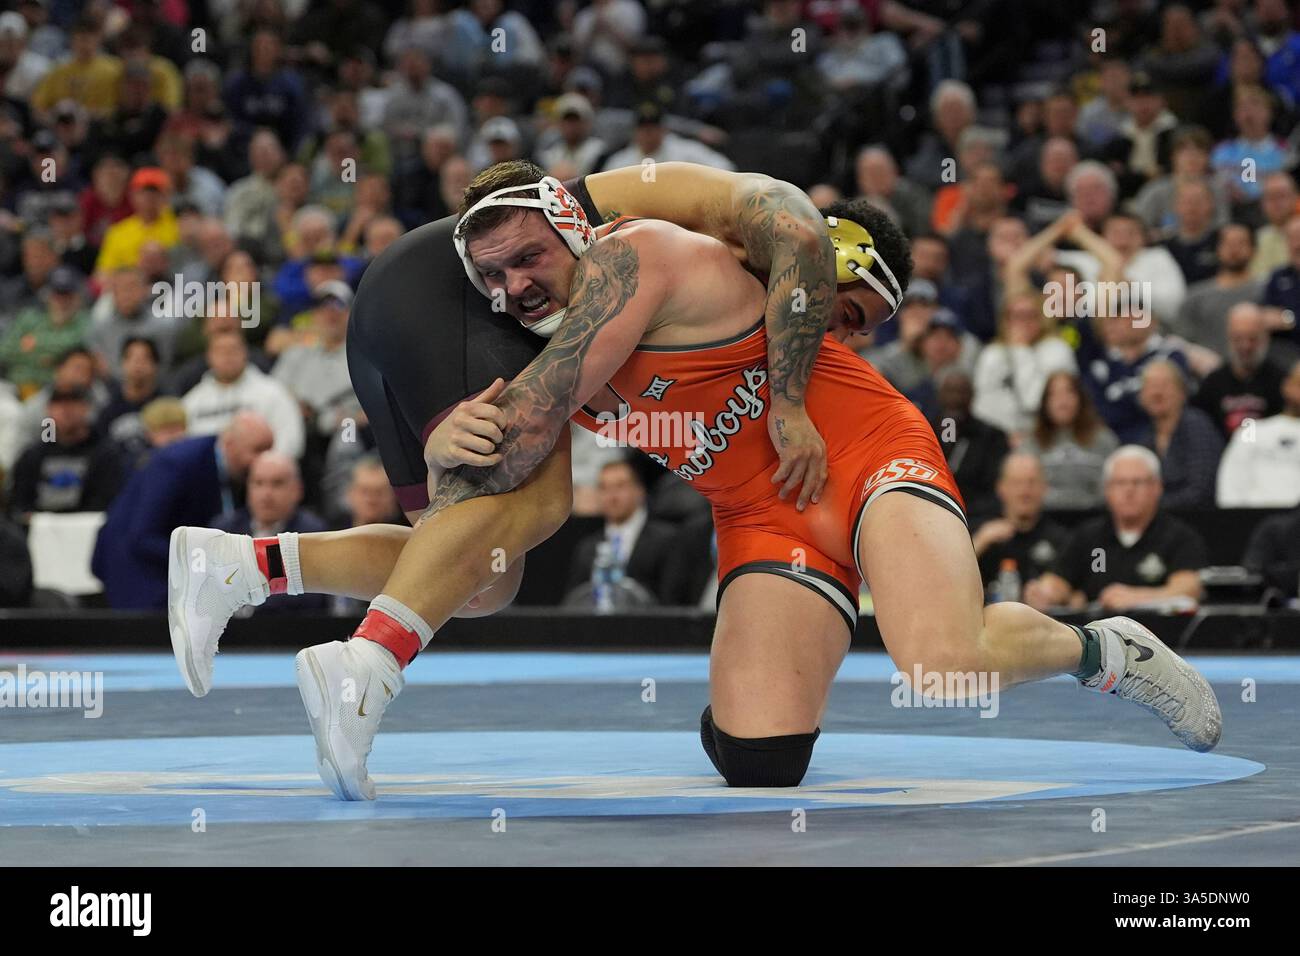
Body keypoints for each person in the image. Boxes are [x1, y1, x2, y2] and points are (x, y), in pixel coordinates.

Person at [172, 162, 1221, 803]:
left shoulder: (657, 264)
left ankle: (1104, 650)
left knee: (938, 658)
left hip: (866, 458)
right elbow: (780, 241)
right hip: (762, 513)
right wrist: (453, 425)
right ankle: (254, 567)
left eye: (853, 323)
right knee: (754, 759)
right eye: (500, 274)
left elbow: (781, 250)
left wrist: (459, 427)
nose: (835, 328)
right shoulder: (612, 272)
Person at [92, 412, 273, 610]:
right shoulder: (177, 464)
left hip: (172, 575)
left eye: (269, 449)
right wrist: (206, 561)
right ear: (230, 444)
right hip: (139, 576)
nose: (264, 459)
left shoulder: (227, 467)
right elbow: (143, 536)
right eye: (258, 450)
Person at [1024, 445, 1208, 613]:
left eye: (1138, 482)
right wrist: (1043, 593)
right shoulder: (1088, 536)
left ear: (1157, 487)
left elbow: (1188, 590)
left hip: (1158, 634)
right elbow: (1058, 581)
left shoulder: (1179, 537)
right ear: (1107, 490)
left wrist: (1136, 598)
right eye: (1120, 483)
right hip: (1095, 633)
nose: (1128, 491)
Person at [564, 458, 677, 604]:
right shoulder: (587, 548)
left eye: (620, 486)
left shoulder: (667, 540)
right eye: (604, 488)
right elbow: (574, 601)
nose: (612, 496)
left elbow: (674, 598)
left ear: (640, 490)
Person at [970, 453, 1071, 598]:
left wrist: (1054, 593)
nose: (1025, 491)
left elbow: (1077, 596)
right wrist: (980, 541)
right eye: (1016, 483)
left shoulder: (1061, 539)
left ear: (1045, 487)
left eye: (1032, 482)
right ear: (1000, 488)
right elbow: (953, 578)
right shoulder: (978, 533)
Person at [1020, 370, 1119, 510]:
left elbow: (1114, 485)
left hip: (1096, 514)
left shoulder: (1104, 440)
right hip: (1044, 516)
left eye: (1069, 392)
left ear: (1080, 399)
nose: (1062, 400)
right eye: (1053, 394)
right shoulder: (1031, 443)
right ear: (1045, 402)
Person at [1134, 360, 1225, 509]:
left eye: (1164, 385)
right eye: (1150, 386)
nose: (1157, 393)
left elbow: (1201, 490)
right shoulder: (1145, 438)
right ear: (1141, 397)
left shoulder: (1196, 426)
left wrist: (1150, 505)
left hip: (1198, 515)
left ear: (1182, 392)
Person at [1193, 302, 1290, 436]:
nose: (1245, 346)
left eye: (1252, 338)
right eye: (1238, 338)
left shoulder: (1282, 381)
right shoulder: (1212, 384)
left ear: (1265, 337)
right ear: (1228, 337)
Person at [1216, 360, 1300, 507]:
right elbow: (1230, 484)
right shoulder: (1252, 431)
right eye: (1298, 384)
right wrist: (1233, 515)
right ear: (1286, 385)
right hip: (1252, 515)